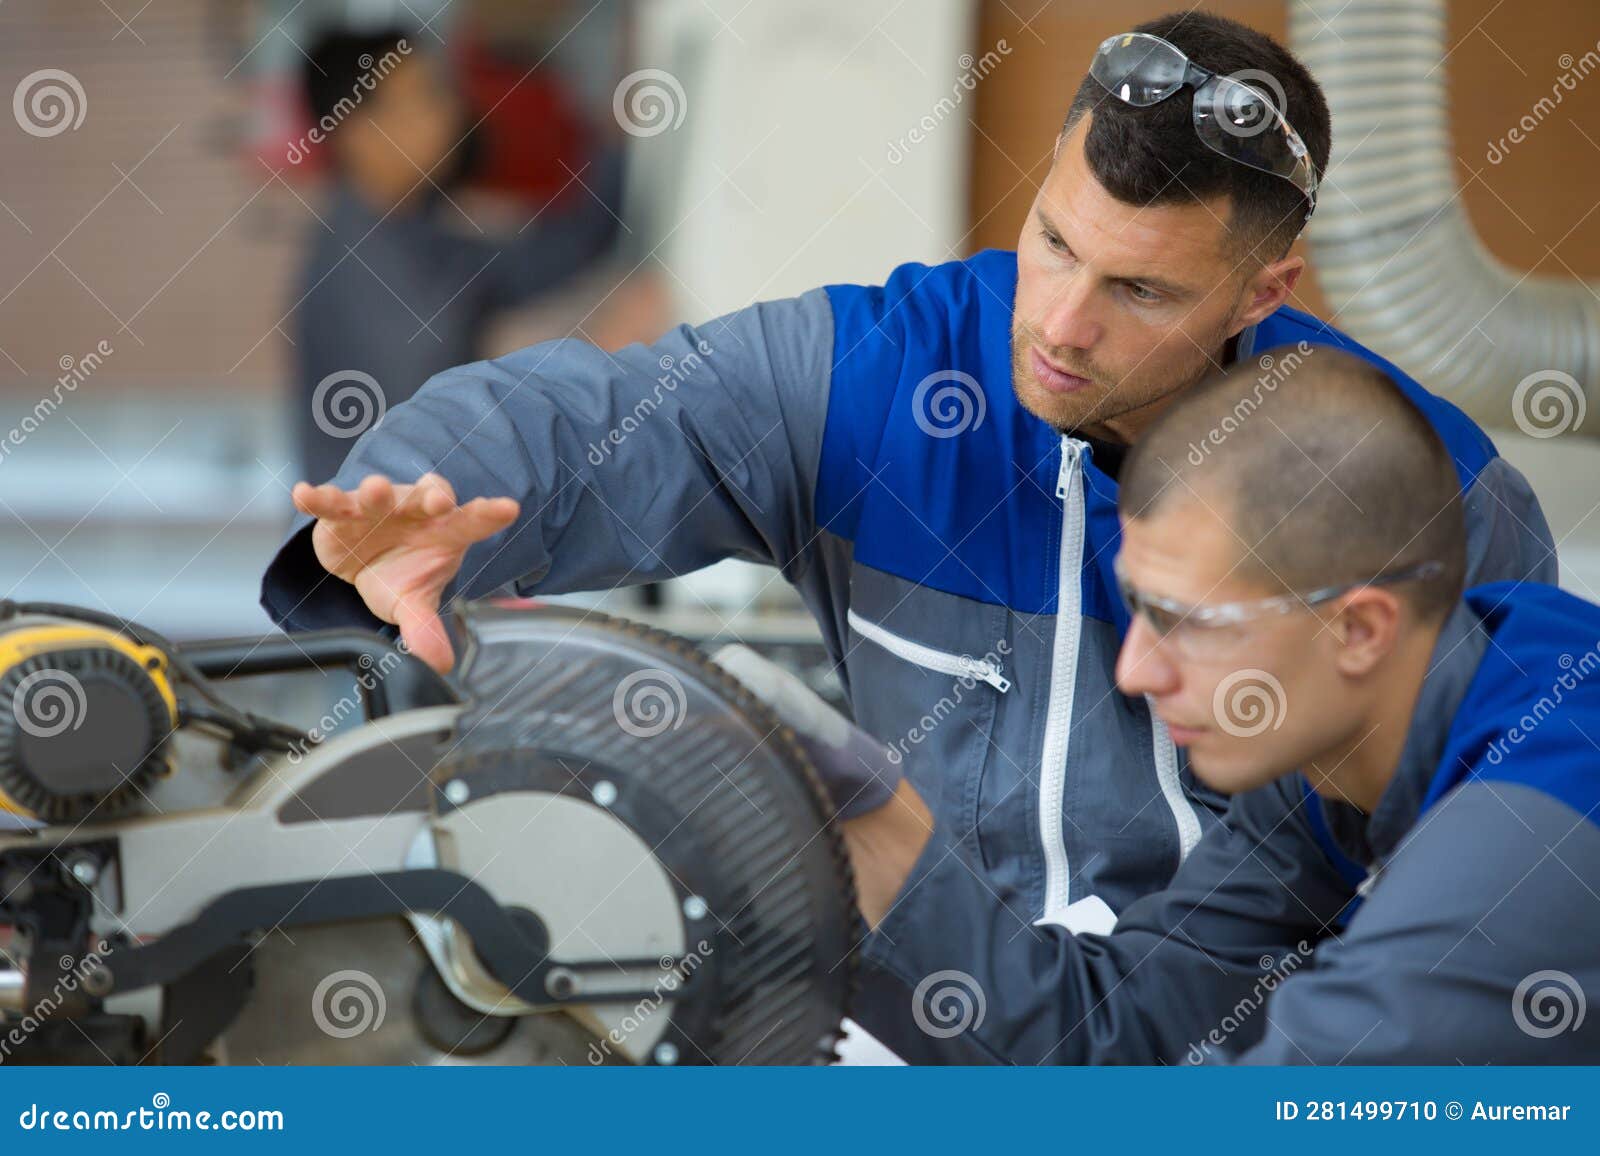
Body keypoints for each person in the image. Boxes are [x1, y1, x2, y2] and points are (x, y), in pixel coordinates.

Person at [259, 12, 1555, 1058]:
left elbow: (1318, 978)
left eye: (1139, 289)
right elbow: (605, 415)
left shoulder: (1412, 502)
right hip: (887, 1029)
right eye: (1052, 241)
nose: (1059, 324)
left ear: (1261, 292)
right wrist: (421, 498)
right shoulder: (884, 378)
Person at [827, 347, 1600, 1063]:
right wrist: (869, 817)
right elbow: (1119, 1026)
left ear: (1361, 629)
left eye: (1188, 623)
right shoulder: (1368, 732)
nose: (1133, 672)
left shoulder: (1527, 843)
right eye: (1139, 609)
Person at [290, 27, 625, 483]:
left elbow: (551, 258)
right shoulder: (380, 275)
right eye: (426, 96)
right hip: (403, 531)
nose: (451, 112)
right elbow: (462, 442)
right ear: (359, 133)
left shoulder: (400, 223)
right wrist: (602, 357)